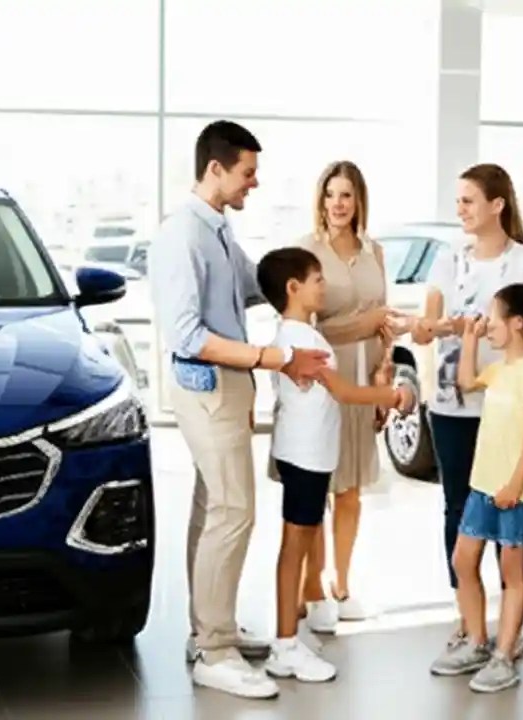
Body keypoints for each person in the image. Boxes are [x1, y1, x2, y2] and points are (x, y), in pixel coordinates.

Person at [147, 120, 329, 700]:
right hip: (208, 388)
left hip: (230, 388)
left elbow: (254, 286)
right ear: (216, 169)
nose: (255, 183)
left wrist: (304, 272)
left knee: (212, 508)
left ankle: (211, 630)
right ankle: (214, 650)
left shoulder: (219, 231)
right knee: (234, 510)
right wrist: (275, 357)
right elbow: (186, 335)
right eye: (248, 173)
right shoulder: (181, 236)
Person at [411, 164, 523, 669]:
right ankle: (469, 621)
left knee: (508, 514)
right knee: (460, 510)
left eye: (469, 200)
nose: (461, 210)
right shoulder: (449, 261)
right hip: (453, 403)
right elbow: (423, 329)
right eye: (458, 201)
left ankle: (508, 632)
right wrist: (439, 326)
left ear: (497, 204)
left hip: (510, 412)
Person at [257, 247, 414, 684]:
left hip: (300, 453)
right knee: (294, 547)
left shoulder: (287, 335)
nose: (324, 287)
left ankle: (287, 638)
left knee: (296, 544)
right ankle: (286, 644)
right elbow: (345, 392)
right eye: (317, 280)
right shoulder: (303, 340)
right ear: (294, 288)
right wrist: (396, 396)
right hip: (306, 458)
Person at [432, 284, 523, 692]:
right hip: (483, 484)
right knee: (463, 559)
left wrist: (515, 486)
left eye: (493, 318)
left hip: (514, 489)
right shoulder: (501, 370)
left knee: (512, 572)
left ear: (518, 323)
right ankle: (477, 640)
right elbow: (467, 381)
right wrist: (469, 340)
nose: (488, 325)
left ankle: (505, 653)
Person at [292, 161, 401, 632]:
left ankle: (342, 585)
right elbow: (307, 326)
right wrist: (364, 324)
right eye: (331, 195)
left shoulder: (374, 251)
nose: (338, 204)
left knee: (352, 490)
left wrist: (384, 368)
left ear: (359, 202)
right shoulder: (306, 251)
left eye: (347, 196)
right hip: (322, 380)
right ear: (321, 200)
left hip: (364, 379)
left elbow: (386, 319)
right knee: (318, 487)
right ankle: (310, 589)